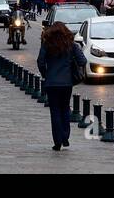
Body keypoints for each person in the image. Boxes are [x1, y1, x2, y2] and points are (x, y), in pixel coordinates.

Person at [36, 22, 86, 151]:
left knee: (55, 111)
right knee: (65, 108)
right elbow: (83, 61)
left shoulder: (47, 44)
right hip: (66, 83)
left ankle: (58, 141)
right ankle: (65, 136)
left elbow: (40, 61)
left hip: (51, 83)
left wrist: (45, 74)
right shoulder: (71, 45)